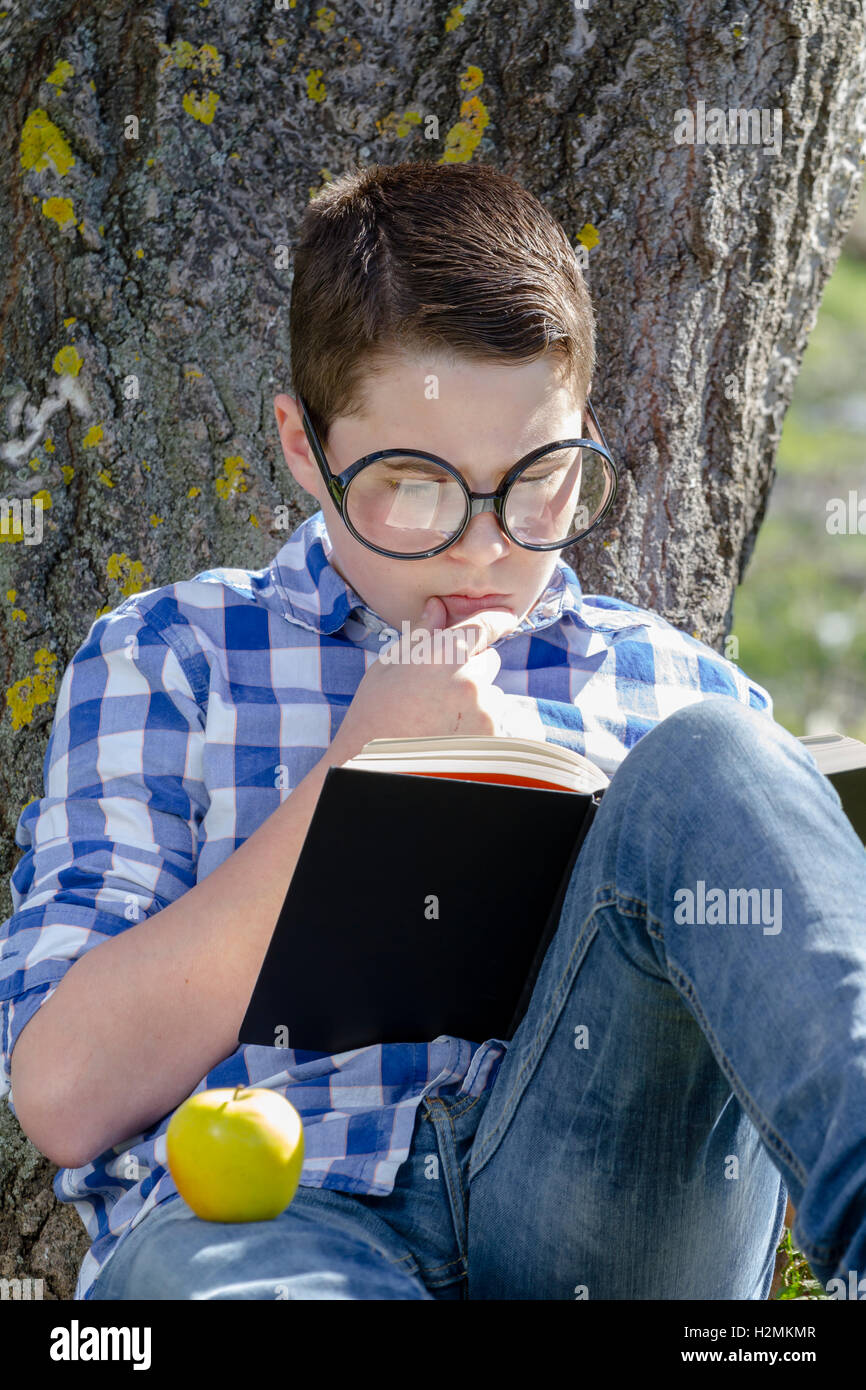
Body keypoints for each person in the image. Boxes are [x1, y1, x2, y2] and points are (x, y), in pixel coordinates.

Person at [2, 160, 865, 1301]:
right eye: (411, 482)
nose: (480, 546)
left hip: (597, 1225)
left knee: (718, 758)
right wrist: (358, 770)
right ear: (304, 447)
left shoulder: (665, 684)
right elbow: (65, 1095)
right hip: (269, 1225)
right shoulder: (173, 658)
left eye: (535, 482)